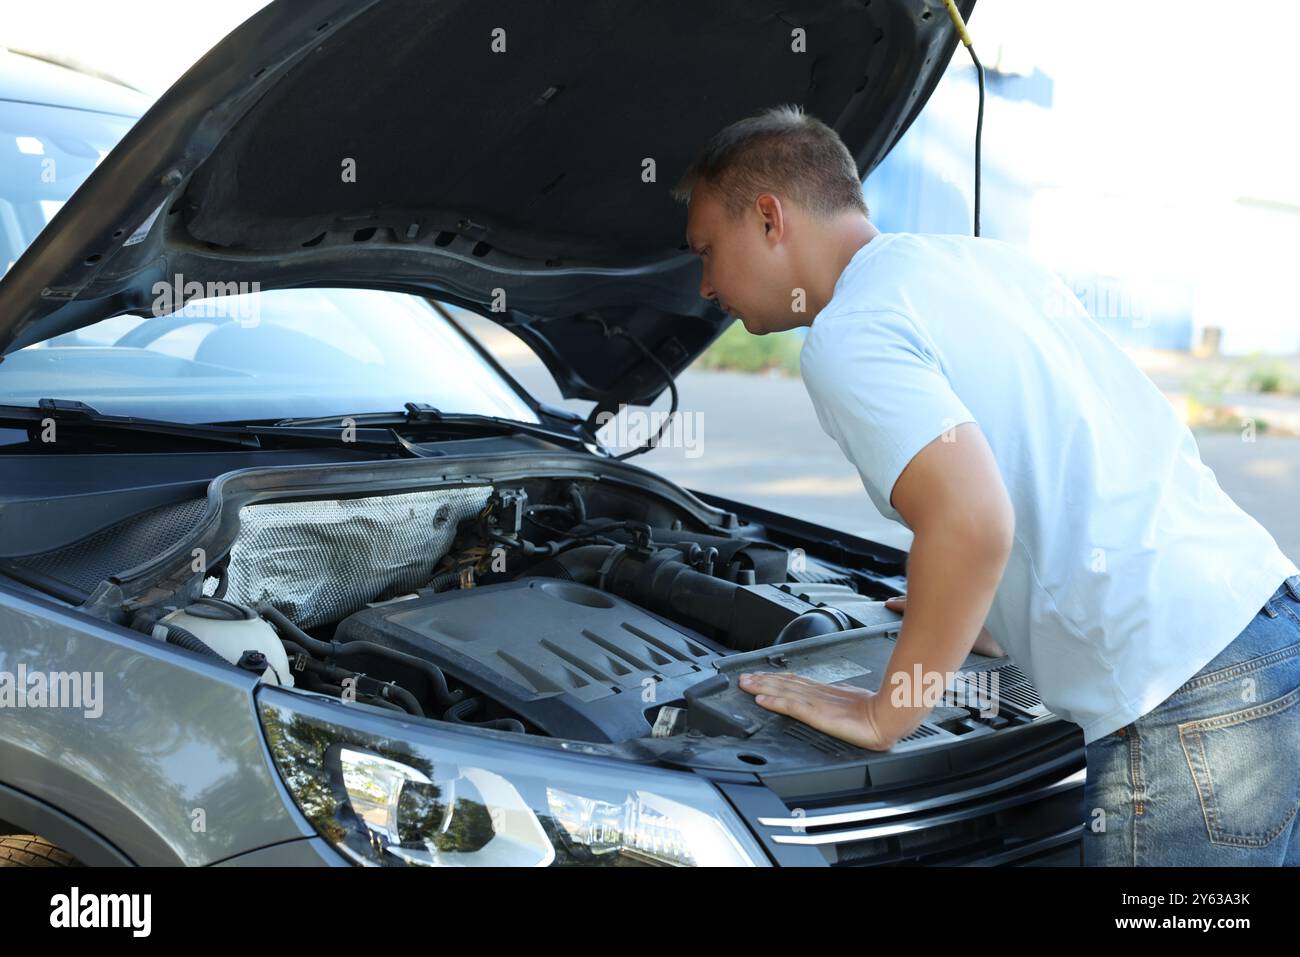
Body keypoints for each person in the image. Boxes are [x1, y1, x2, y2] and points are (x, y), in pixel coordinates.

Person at [671, 104, 1300, 866]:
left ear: (770, 218)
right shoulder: (982, 265)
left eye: (707, 249)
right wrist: (994, 613)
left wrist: (889, 710)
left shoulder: (852, 330)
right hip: (1264, 635)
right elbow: (1074, 452)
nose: (704, 285)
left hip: (1180, 699)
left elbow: (971, 521)